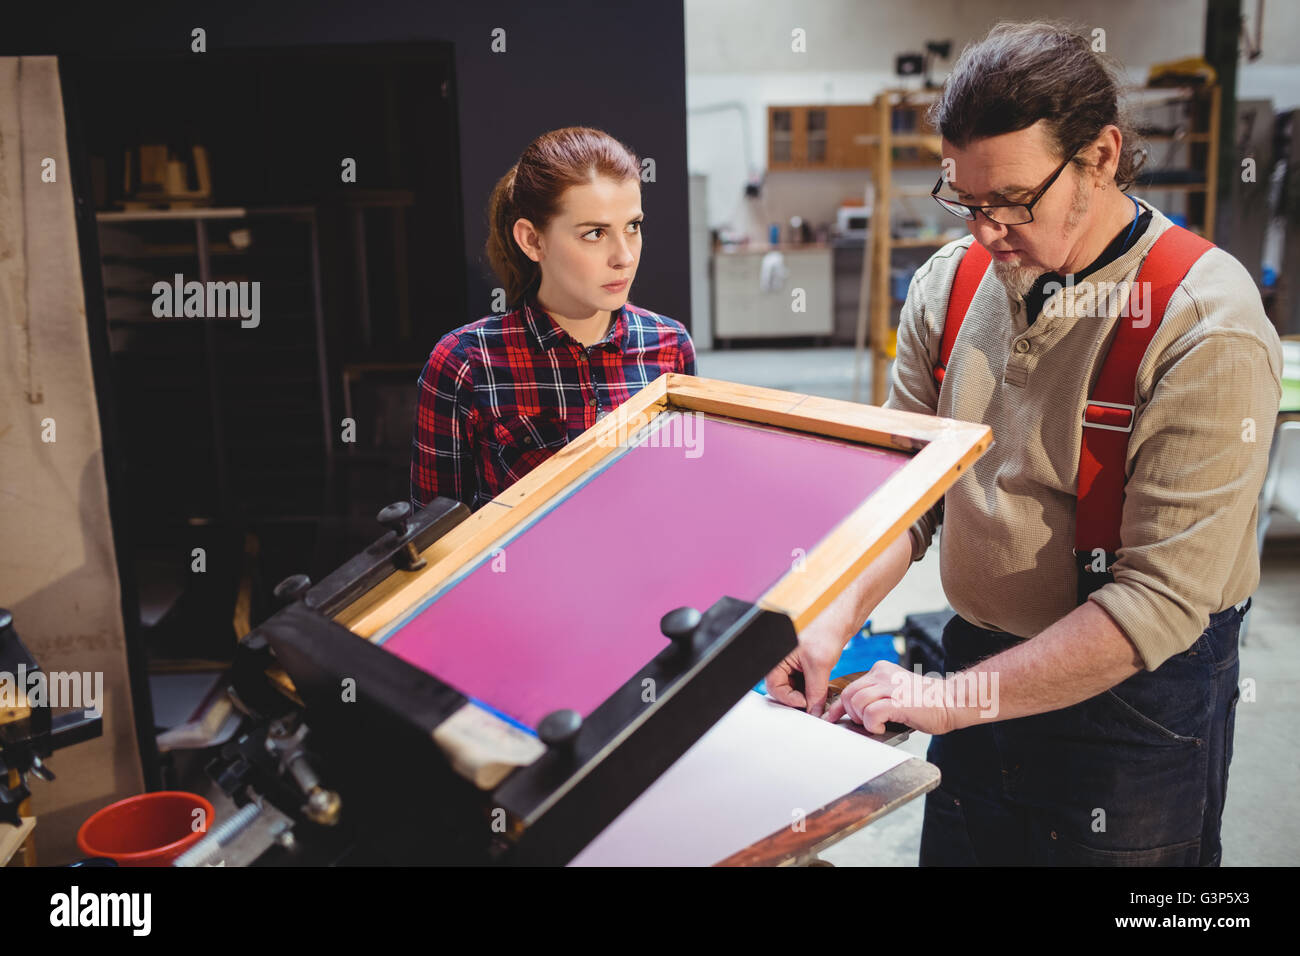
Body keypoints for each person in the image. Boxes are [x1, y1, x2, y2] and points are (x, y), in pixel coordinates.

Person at [766, 21, 1282, 866]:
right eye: (966, 202)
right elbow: (908, 493)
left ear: (1101, 156)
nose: (985, 231)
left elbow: (1153, 604)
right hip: (973, 665)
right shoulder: (952, 282)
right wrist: (829, 625)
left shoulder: (1204, 323)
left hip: (1134, 708)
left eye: (1012, 202)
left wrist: (952, 696)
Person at [411, 126, 696, 512]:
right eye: (595, 233)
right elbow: (434, 537)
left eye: (633, 226)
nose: (624, 256)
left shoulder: (671, 346)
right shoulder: (465, 363)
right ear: (532, 240)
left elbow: (684, 496)